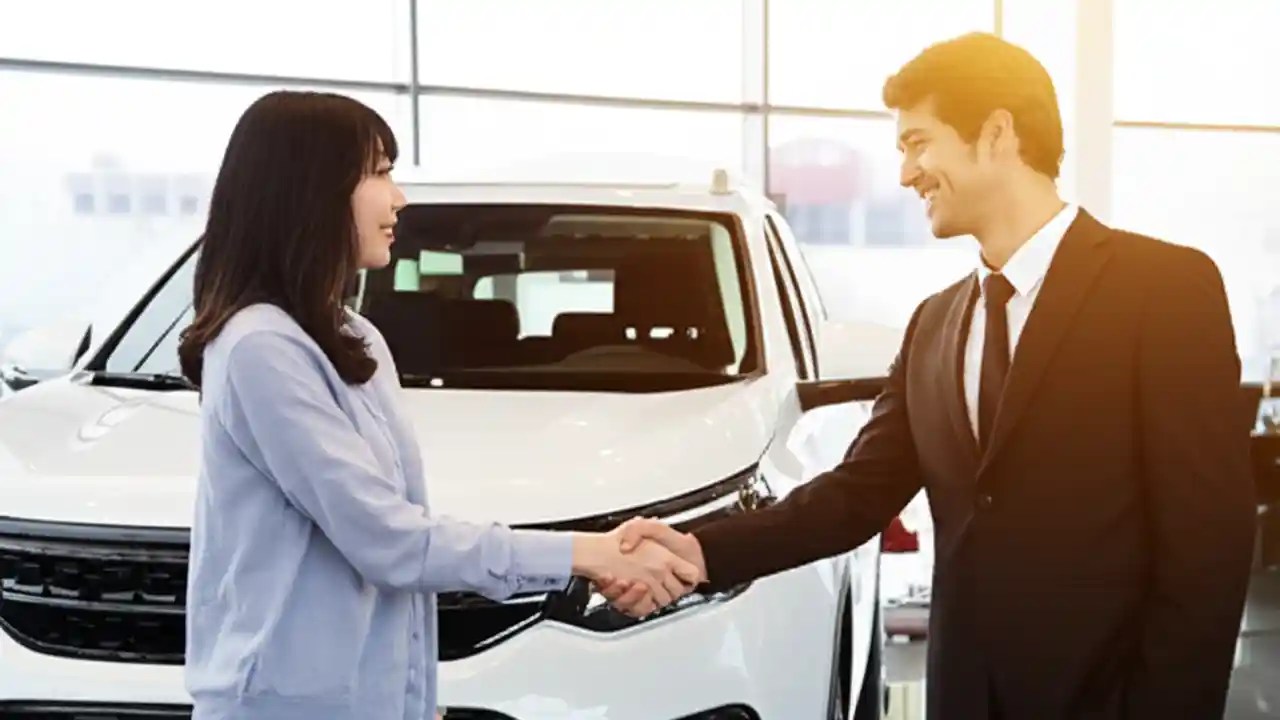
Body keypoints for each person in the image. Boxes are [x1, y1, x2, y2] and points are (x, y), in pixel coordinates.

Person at [600, 32, 1256, 720]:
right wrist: (700, 552)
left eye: (919, 143)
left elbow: (1208, 540)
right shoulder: (934, 325)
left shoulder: (1164, 288)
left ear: (997, 132)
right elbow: (854, 496)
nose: (908, 174)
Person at [176, 90, 698, 720]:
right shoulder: (262, 347)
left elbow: (396, 539)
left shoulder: (352, 337)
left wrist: (414, 698)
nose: (399, 199)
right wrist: (591, 553)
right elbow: (388, 541)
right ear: (308, 188)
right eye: (379, 172)